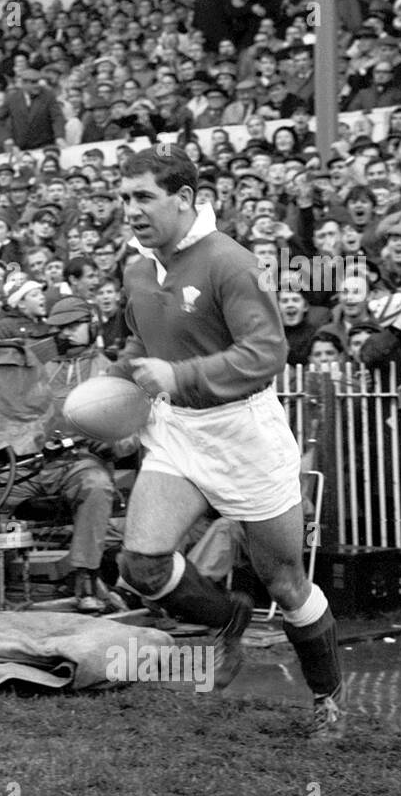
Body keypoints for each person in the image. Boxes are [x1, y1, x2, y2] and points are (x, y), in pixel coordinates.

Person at [105, 144, 345, 742]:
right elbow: (140, 341)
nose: (129, 209)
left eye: (142, 197)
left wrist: (180, 375)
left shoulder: (233, 262)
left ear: (184, 198)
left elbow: (267, 352)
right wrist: (120, 378)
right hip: (178, 431)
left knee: (286, 583)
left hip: (243, 434)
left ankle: (328, 700)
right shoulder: (136, 265)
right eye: (123, 197)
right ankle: (227, 618)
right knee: (141, 561)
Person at [0, 296, 126, 613]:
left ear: (93, 324)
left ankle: (85, 577)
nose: (66, 333)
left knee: (96, 487)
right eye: (60, 328)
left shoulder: (111, 370)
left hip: (82, 464)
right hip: (33, 463)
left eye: (73, 326)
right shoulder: (37, 369)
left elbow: (133, 431)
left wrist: (114, 444)